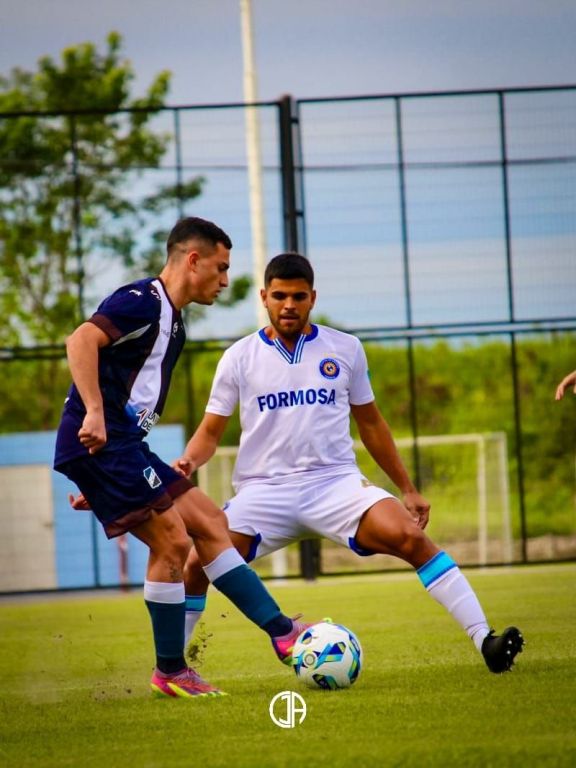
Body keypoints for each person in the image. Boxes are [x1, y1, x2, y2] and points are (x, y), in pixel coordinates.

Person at [176, 252, 524, 674]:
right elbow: (211, 431)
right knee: (197, 562)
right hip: (263, 492)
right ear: (265, 297)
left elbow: (372, 424)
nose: (289, 305)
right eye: (280, 296)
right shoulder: (238, 357)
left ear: (312, 297)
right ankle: (175, 666)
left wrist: (407, 489)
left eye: (299, 296)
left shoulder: (345, 348)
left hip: (334, 484)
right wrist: (188, 462)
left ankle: (484, 639)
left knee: (410, 538)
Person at [54, 219, 310, 699]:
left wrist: (105, 483)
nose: (225, 279)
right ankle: (171, 671)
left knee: (210, 522)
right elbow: (80, 341)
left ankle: (281, 632)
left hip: (122, 449)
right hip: (105, 444)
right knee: (172, 541)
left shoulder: (173, 321)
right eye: (221, 267)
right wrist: (94, 416)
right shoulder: (141, 302)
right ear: (193, 260)